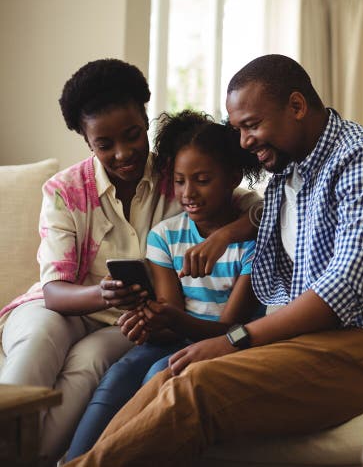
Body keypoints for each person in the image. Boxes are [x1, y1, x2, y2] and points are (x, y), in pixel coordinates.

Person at [68, 54, 363, 466]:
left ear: (296, 107)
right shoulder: (292, 169)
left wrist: (233, 340)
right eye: (238, 129)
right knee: (175, 373)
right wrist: (228, 233)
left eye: (251, 125)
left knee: (197, 387)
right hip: (326, 340)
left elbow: (341, 291)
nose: (244, 142)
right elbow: (269, 214)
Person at [0, 59, 262, 465]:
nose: (123, 153)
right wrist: (102, 292)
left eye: (133, 135)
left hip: (131, 320)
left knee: (90, 365)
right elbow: (53, 290)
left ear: (145, 120)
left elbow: (256, 210)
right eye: (105, 145)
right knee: (36, 345)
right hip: (63, 305)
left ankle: (38, 459)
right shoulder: (65, 191)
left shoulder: (177, 175)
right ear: (87, 141)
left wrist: (227, 235)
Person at [66, 110, 264, 460]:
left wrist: (170, 320)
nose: (189, 193)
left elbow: (229, 328)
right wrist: (151, 321)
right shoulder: (166, 236)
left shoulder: (250, 241)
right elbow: (171, 313)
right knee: (118, 374)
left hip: (223, 341)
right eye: (180, 180)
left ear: (233, 177)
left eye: (202, 179)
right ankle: (72, 459)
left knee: (160, 373)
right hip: (180, 334)